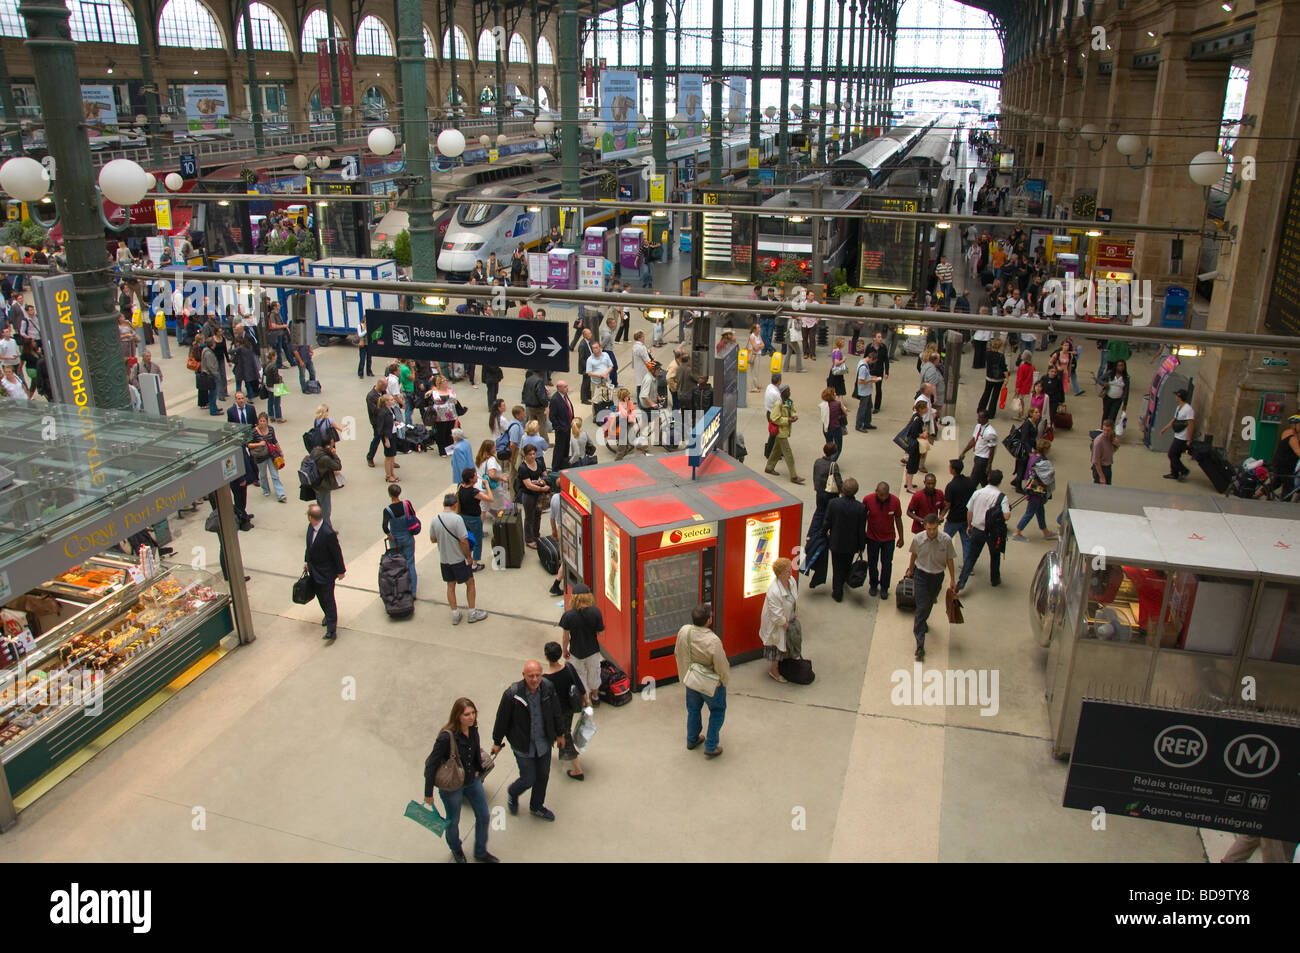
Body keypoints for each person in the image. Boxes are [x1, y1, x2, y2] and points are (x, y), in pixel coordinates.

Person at [424, 698, 498, 863]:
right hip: (452, 787)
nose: (471, 717)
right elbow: (431, 765)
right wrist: (428, 793)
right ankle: (456, 848)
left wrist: (479, 769)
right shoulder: (446, 737)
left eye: (473, 713)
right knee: (453, 820)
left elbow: (475, 752)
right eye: (466, 714)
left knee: (484, 815)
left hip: (472, 780)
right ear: (457, 716)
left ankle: (480, 851)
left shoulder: (473, 729)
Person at [491, 660, 566, 821]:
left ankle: (537, 806)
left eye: (538, 675)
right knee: (528, 778)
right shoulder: (512, 694)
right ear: (523, 675)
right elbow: (502, 719)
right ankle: (513, 792)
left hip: (543, 743)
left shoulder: (548, 688)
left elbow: (556, 711)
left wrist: (560, 734)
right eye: (531, 676)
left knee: (543, 775)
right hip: (523, 746)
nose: (534, 679)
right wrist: (497, 741)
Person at [674, 604, 729, 757]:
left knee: (693, 710)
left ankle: (692, 739)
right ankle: (711, 745)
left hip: (691, 680)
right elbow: (721, 665)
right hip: (711, 683)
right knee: (718, 711)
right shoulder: (713, 640)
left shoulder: (684, 631)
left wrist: (684, 674)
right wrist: (723, 681)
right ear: (708, 621)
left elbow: (678, 652)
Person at [903, 513, 958, 661]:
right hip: (921, 575)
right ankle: (920, 645)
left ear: (938, 526)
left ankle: (922, 621)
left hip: (937, 576)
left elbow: (950, 559)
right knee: (921, 607)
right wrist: (910, 570)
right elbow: (913, 555)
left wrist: (952, 579)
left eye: (934, 529)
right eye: (929, 529)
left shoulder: (946, 540)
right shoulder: (918, 538)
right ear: (925, 527)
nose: (932, 532)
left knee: (930, 602)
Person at [430, 493, 487, 624]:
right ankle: (472, 613)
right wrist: (468, 557)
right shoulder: (457, 520)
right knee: (470, 583)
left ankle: (455, 613)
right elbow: (463, 540)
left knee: (450, 585)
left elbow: (433, 539)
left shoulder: (435, 519)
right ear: (455, 505)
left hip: (444, 559)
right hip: (459, 559)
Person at [956, 469, 1010, 593]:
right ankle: (994, 579)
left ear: (988, 479)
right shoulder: (1001, 497)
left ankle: (962, 582)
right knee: (995, 555)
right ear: (1000, 482)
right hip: (993, 532)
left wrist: (969, 526)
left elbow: (969, 510)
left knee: (971, 556)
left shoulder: (978, 493)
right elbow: (1006, 516)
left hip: (977, 530)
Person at [543, 641, 589, 781]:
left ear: (546, 657)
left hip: (556, 714)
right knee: (564, 732)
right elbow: (580, 686)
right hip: (569, 708)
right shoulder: (568, 668)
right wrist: (586, 702)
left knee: (565, 736)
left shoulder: (545, 679)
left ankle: (577, 770)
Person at [304, 503, 346, 642]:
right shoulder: (311, 528)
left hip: (326, 572)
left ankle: (331, 629)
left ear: (311, 517)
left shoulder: (328, 533)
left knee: (328, 598)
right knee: (321, 597)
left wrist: (341, 571)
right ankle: (327, 615)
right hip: (314, 570)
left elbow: (336, 552)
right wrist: (306, 561)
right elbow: (309, 546)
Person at [824, 479, 866, 603]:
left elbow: (827, 522)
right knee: (847, 564)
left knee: (836, 566)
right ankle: (843, 581)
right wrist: (861, 545)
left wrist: (822, 534)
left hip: (836, 542)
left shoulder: (833, 503)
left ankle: (837, 592)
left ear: (842, 490)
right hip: (851, 544)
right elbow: (861, 529)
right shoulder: (861, 508)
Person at [759, 557, 799, 681]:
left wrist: (794, 612)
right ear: (780, 574)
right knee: (777, 646)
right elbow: (776, 615)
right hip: (778, 623)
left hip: (787, 619)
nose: (790, 573)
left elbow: (794, 597)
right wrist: (786, 624)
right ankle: (774, 670)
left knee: (783, 644)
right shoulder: (774, 592)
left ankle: (782, 665)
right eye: (787, 571)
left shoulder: (791, 581)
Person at [864, 481, 905, 599]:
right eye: (881, 495)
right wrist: (862, 535)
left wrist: (901, 537)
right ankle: (873, 584)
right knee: (872, 563)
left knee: (887, 564)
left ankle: (884, 587)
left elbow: (898, 519)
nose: (883, 497)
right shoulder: (868, 500)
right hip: (872, 538)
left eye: (885, 495)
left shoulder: (895, 502)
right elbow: (863, 518)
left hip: (889, 539)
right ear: (876, 491)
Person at [382, 482, 420, 597]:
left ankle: (399, 590)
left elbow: (384, 526)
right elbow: (413, 515)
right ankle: (413, 591)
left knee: (397, 565)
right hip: (408, 536)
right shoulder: (406, 504)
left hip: (396, 539)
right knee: (410, 562)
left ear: (389, 494)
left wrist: (390, 536)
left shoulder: (388, 510)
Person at [764, 386, 804, 484]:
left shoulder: (789, 402)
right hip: (781, 432)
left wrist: (794, 415)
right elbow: (774, 418)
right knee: (788, 454)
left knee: (776, 451)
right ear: (783, 392)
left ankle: (769, 468)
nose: (790, 392)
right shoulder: (779, 403)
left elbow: (792, 410)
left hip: (785, 430)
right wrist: (788, 420)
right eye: (788, 391)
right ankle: (794, 476)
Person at [457, 467, 491, 571]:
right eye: (475, 475)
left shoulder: (460, 487)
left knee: (467, 539)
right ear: (471, 479)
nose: (477, 477)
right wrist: (487, 485)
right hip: (474, 518)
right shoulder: (474, 492)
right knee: (477, 541)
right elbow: (490, 498)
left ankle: (467, 559)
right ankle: (474, 564)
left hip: (463, 517)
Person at [247, 413, 286, 503]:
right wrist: (259, 444)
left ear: (267, 422)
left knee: (275, 475)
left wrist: (280, 451)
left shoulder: (271, 429)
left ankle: (280, 494)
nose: (262, 423)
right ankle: (265, 489)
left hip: (271, 455)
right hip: (260, 457)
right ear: (258, 421)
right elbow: (248, 445)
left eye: (264, 421)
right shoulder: (253, 432)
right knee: (263, 475)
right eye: (260, 421)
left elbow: (274, 441)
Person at [943, 459, 976, 565]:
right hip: (966, 518)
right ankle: (967, 565)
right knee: (966, 542)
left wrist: (941, 515)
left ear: (953, 470)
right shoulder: (970, 482)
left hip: (954, 518)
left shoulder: (951, 486)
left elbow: (947, 504)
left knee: (944, 541)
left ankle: (940, 561)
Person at [515, 445, 548, 546]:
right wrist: (542, 488)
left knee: (538, 515)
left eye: (534, 454)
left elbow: (545, 475)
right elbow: (528, 485)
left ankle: (536, 535)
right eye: (530, 454)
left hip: (539, 495)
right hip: (528, 495)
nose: (533, 456)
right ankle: (529, 539)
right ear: (525, 455)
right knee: (529, 517)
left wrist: (544, 481)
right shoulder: (523, 468)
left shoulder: (539, 462)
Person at [1160, 389, 1195, 481]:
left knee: (1171, 454)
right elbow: (1174, 419)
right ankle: (1174, 473)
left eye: (1176, 396)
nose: (1175, 397)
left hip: (1182, 437)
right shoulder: (1179, 407)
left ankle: (1184, 470)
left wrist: (1189, 439)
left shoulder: (1188, 409)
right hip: (1177, 434)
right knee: (1176, 455)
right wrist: (1165, 428)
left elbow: (1191, 424)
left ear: (1179, 397)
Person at [309, 435, 343, 528]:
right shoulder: (325, 458)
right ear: (327, 446)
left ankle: (319, 525)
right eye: (332, 445)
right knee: (326, 509)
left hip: (316, 484)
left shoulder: (315, 451)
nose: (333, 446)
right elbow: (337, 466)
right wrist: (334, 454)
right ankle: (327, 529)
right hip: (323, 485)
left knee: (320, 506)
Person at [960, 410, 998, 487]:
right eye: (978, 417)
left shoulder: (990, 433)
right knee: (984, 480)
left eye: (980, 417)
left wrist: (989, 465)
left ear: (986, 418)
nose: (978, 419)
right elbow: (974, 440)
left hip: (983, 460)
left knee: (973, 481)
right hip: (977, 456)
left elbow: (992, 450)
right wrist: (964, 452)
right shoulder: (978, 426)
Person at [976, 337, 1008, 420]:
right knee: (995, 396)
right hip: (998, 379)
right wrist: (1007, 378)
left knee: (986, 393)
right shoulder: (1001, 356)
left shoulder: (988, 354)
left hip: (989, 377)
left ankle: (981, 409)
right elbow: (1004, 368)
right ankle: (991, 413)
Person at [901, 397, 928, 492]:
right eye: (925, 408)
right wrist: (922, 434)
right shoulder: (918, 420)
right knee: (912, 466)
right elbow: (914, 433)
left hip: (910, 445)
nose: (927, 409)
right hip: (914, 446)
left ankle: (907, 482)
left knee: (909, 464)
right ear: (921, 409)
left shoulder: (915, 416)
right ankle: (909, 487)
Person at [1270, 414, 1300, 498]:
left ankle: (1256, 495)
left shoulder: (1295, 435)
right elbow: (1298, 451)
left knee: (1276, 483)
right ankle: (1284, 503)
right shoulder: (1291, 436)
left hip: (1286, 463)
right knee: (1288, 485)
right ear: (1294, 425)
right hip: (1284, 464)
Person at [547, 380, 574, 469]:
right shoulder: (555, 399)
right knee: (559, 449)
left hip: (567, 427)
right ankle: (556, 467)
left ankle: (564, 465)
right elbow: (552, 416)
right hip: (561, 429)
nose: (567, 388)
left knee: (566, 448)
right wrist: (559, 427)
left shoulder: (565, 396)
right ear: (559, 388)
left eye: (567, 386)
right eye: (565, 387)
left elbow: (568, 408)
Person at [819, 386, 848, 462]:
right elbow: (845, 413)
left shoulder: (823, 405)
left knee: (829, 446)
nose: (835, 393)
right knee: (838, 448)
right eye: (834, 393)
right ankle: (831, 462)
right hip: (836, 427)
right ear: (832, 395)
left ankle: (828, 459)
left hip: (826, 427)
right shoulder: (838, 404)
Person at [1100, 359, 1129, 429]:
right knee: (1106, 414)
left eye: (1122, 366)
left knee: (1113, 415)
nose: (1121, 367)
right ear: (1116, 366)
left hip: (1118, 400)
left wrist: (1125, 403)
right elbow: (1100, 379)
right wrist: (1104, 384)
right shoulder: (1110, 374)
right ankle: (1103, 429)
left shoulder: (1126, 378)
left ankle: (1110, 431)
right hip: (1107, 398)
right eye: (1119, 365)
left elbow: (1126, 391)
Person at [865, 330, 889, 413]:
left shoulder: (883, 347)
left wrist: (886, 372)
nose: (880, 339)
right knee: (868, 387)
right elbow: (865, 358)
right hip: (870, 370)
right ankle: (868, 404)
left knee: (878, 389)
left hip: (879, 370)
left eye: (881, 337)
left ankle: (877, 407)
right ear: (874, 338)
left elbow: (886, 360)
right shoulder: (869, 347)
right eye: (878, 337)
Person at [1091, 418, 1119, 485]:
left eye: (1108, 430)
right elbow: (1096, 461)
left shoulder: (1111, 438)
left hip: (1108, 467)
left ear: (1112, 430)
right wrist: (1102, 476)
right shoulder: (1098, 442)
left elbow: (1111, 452)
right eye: (1104, 430)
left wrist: (1117, 445)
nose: (1106, 432)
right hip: (1100, 468)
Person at [199, 334, 221, 415]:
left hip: (209, 375)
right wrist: (216, 375)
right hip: (211, 376)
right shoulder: (208, 354)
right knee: (213, 394)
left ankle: (214, 407)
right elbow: (211, 366)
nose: (215, 344)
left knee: (213, 393)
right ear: (212, 344)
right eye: (214, 343)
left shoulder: (205, 351)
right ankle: (213, 410)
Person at [763, 373, 784, 458]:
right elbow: (780, 404)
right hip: (774, 414)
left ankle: (773, 451)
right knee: (773, 435)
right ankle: (769, 453)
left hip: (769, 412)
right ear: (779, 382)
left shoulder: (769, 387)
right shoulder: (776, 394)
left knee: (773, 434)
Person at [261, 353, 285, 422]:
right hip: (275, 386)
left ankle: (271, 416)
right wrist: (280, 377)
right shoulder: (274, 366)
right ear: (273, 357)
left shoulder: (266, 364)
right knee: (277, 402)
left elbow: (264, 374)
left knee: (270, 401)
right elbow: (276, 378)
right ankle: (279, 417)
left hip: (268, 385)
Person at [747, 324, 765, 393]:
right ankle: (752, 387)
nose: (760, 328)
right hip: (754, 355)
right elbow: (755, 347)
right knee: (753, 371)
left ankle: (756, 385)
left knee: (756, 371)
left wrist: (759, 346)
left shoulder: (758, 336)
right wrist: (759, 346)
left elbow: (763, 345)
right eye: (758, 327)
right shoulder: (752, 337)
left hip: (758, 354)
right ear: (754, 329)